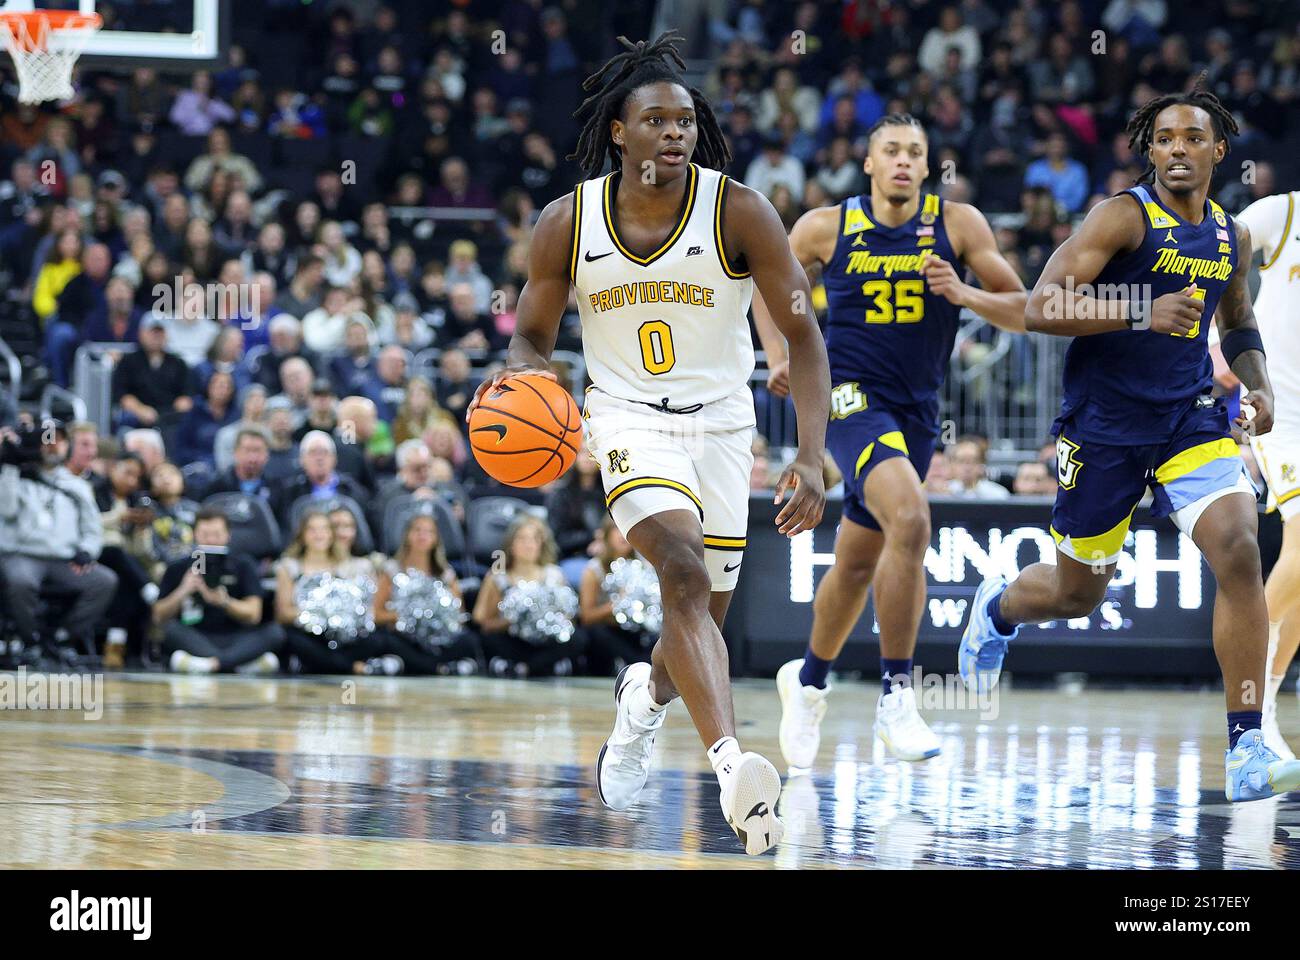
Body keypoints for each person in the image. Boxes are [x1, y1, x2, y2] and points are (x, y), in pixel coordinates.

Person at [468, 33, 830, 855]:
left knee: (696, 616)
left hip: (723, 423)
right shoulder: (568, 221)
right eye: (657, 120)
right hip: (627, 418)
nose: (675, 132)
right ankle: (735, 768)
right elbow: (529, 337)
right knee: (682, 571)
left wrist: (810, 452)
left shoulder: (740, 210)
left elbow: (804, 340)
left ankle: (640, 704)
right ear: (619, 134)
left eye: (686, 121)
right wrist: (534, 385)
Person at [957, 87, 1300, 803]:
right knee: (1077, 594)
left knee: (1239, 546)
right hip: (1104, 428)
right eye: (1165, 138)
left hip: (1187, 420)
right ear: (1150, 150)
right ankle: (997, 609)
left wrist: (1256, 385)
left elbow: (1237, 325)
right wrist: (1140, 310)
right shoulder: (1121, 215)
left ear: (1218, 152)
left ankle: (1245, 744)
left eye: (1192, 138)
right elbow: (1041, 305)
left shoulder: (1230, 234)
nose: (1177, 148)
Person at [753, 112, 1027, 770]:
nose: (903, 160)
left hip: (919, 414)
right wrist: (778, 351)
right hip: (847, 400)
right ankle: (897, 694)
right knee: (912, 516)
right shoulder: (826, 226)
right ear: (869, 164)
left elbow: (1022, 306)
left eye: (915, 151)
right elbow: (766, 286)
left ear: (927, 167)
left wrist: (961, 290)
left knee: (854, 563)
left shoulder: (958, 224)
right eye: (891, 151)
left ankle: (809, 681)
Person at [1235, 187, 1300, 760]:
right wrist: (1215, 339)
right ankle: (1241, 663)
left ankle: (1265, 710)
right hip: (1285, 410)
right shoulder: (1285, 211)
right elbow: (1218, 251)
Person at [0, 420, 117, 658]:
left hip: (64, 560)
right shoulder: (17, 477)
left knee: (104, 581)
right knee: (21, 581)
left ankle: (60, 638)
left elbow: (92, 529)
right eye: (47, 439)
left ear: (68, 447)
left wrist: (87, 551)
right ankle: (30, 639)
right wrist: (10, 466)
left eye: (60, 440)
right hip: (22, 555)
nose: (53, 445)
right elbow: (6, 510)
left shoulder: (77, 486)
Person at [157, 507, 284, 674]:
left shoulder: (243, 565)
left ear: (228, 535)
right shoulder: (178, 567)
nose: (210, 540)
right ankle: (238, 665)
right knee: (169, 630)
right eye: (205, 534)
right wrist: (184, 590)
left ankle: (208, 665)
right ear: (194, 534)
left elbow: (254, 614)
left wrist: (225, 602)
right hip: (195, 636)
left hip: (237, 637)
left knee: (275, 632)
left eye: (216, 534)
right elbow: (158, 616)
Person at [472, 515, 586, 678]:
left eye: (534, 539)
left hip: (547, 640)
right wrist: (511, 621)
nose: (528, 545)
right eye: (522, 539)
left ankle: (525, 668)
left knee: (578, 638)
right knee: (487, 639)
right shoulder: (498, 576)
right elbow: (480, 618)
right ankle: (544, 666)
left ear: (541, 544)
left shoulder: (554, 574)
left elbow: (570, 617)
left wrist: (551, 620)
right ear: (511, 544)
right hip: (514, 640)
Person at [371, 512, 481, 674]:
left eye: (429, 532)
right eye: (417, 530)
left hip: (437, 639)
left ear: (436, 539)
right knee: (385, 641)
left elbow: (460, 616)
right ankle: (441, 668)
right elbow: (376, 615)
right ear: (407, 535)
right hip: (405, 637)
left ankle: (417, 666)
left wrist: (437, 619)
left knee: (468, 640)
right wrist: (405, 616)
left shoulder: (446, 573)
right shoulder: (391, 570)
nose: (423, 535)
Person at [276, 509, 384, 674]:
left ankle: (322, 664)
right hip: (308, 633)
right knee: (288, 637)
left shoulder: (347, 566)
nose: (318, 534)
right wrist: (318, 613)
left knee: (377, 638)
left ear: (331, 534)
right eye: (312, 529)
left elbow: (361, 607)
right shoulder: (289, 566)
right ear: (302, 535)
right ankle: (350, 667)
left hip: (341, 634)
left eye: (324, 529)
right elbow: (283, 614)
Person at [580, 518, 656, 674]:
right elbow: (586, 617)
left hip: (637, 630)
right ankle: (638, 666)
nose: (622, 535)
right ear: (607, 535)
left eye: (626, 529)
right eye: (616, 529)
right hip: (608, 629)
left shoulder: (643, 566)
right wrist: (618, 605)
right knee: (598, 633)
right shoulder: (594, 570)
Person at [112, 316, 193, 431]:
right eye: (152, 332)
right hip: (137, 419)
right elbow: (122, 395)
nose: (156, 336)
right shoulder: (128, 362)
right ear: (141, 333)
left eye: (160, 332)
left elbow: (187, 397)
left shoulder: (178, 363)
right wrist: (140, 410)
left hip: (170, 419)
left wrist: (176, 410)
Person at [948, 435, 1012, 499]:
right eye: (961, 461)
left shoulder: (998, 494)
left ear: (982, 463)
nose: (967, 467)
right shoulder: (944, 493)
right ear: (952, 463)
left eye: (973, 461)